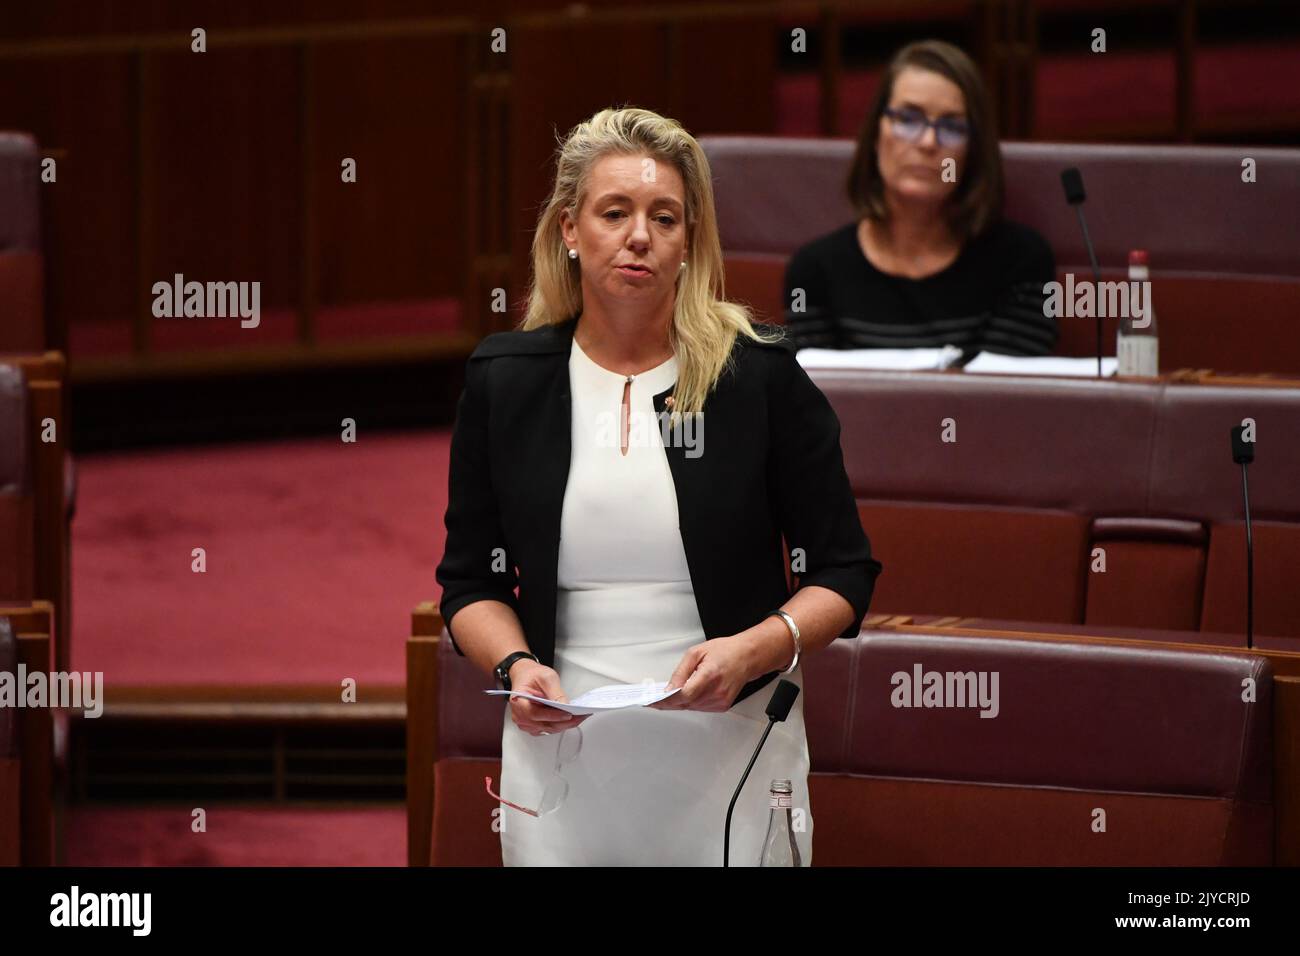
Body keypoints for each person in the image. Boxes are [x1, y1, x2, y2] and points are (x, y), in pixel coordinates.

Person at [435, 106, 881, 866]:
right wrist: (515, 669)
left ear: (688, 243)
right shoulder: (506, 381)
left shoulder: (758, 380)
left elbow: (844, 574)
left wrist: (755, 649)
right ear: (571, 231)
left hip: (732, 745)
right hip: (564, 749)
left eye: (664, 217)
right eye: (616, 212)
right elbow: (468, 584)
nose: (640, 235)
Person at [784, 39, 1057, 355]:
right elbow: (813, 397)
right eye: (909, 119)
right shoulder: (814, 272)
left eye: (952, 126)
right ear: (876, 134)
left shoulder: (1021, 263)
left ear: (972, 152)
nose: (929, 142)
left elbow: (1006, 397)